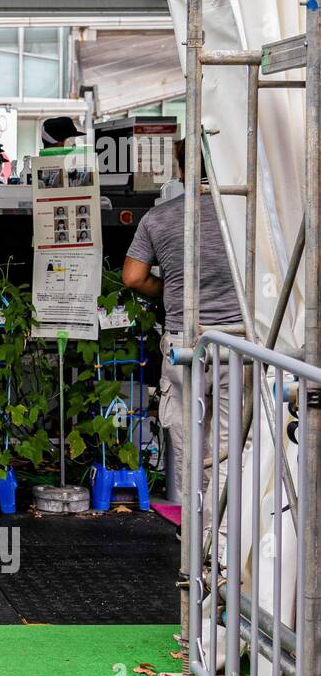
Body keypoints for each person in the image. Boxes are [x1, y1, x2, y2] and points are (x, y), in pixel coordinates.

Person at [122, 139, 241, 506]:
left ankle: (195, 541)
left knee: (188, 446)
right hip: (239, 343)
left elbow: (132, 277)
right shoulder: (242, 214)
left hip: (184, 342)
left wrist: (169, 288)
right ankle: (224, 548)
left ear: (181, 169)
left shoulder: (158, 218)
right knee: (233, 446)